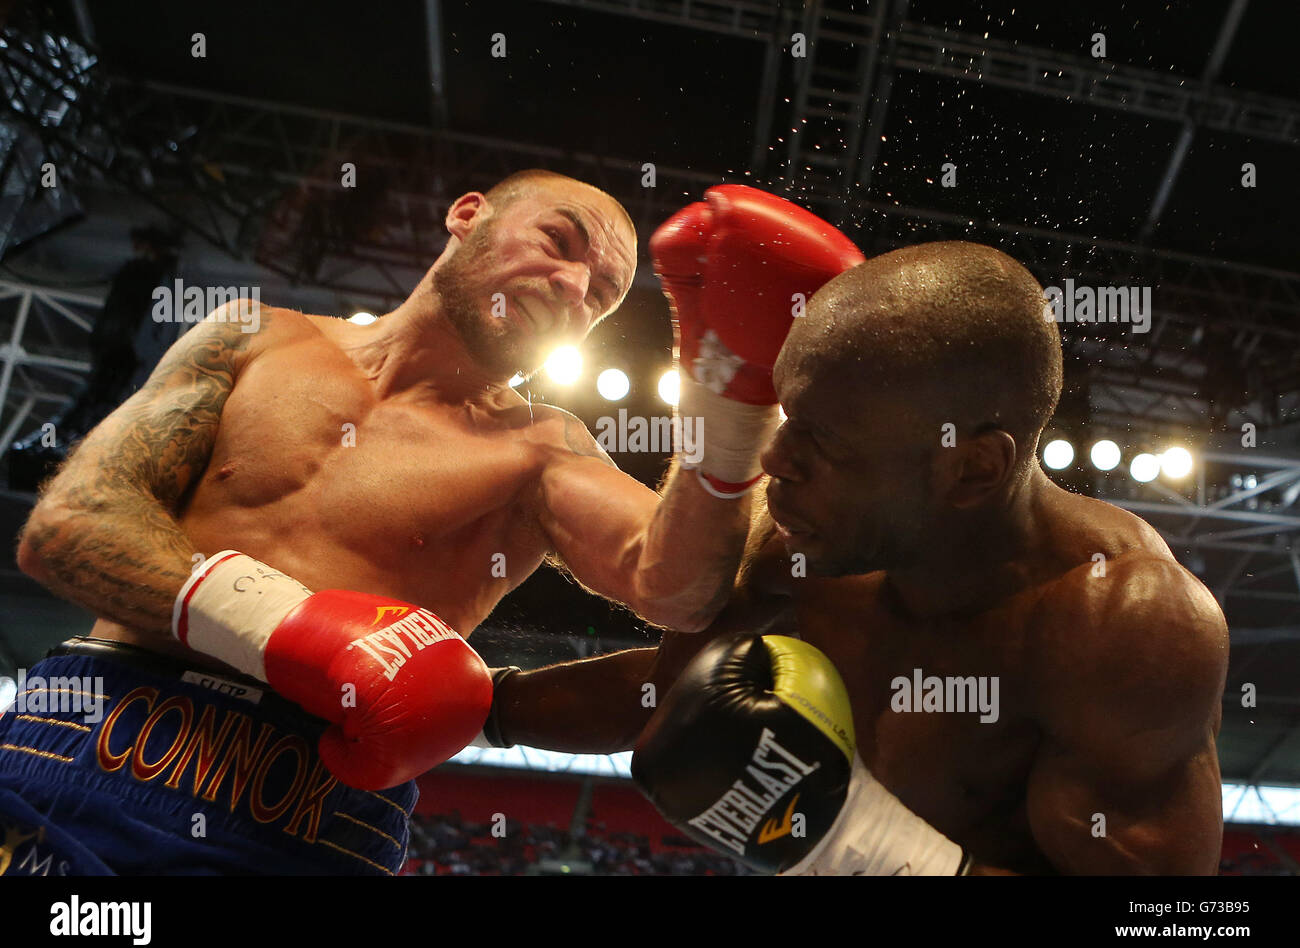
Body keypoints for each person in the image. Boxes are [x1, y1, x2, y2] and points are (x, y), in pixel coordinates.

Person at [2, 171, 863, 875]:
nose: (570, 289)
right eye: (558, 244)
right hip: (84, 730)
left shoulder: (539, 451)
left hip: (309, 806)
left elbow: (675, 585)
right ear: (467, 214)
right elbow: (70, 523)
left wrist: (732, 404)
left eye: (599, 295)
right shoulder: (254, 337)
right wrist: (289, 625)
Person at [486, 240, 1230, 875]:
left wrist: (860, 844)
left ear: (971, 468)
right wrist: (482, 704)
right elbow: (681, 703)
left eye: (825, 442)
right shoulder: (813, 547)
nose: (775, 457)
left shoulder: (1125, 629)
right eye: (787, 419)